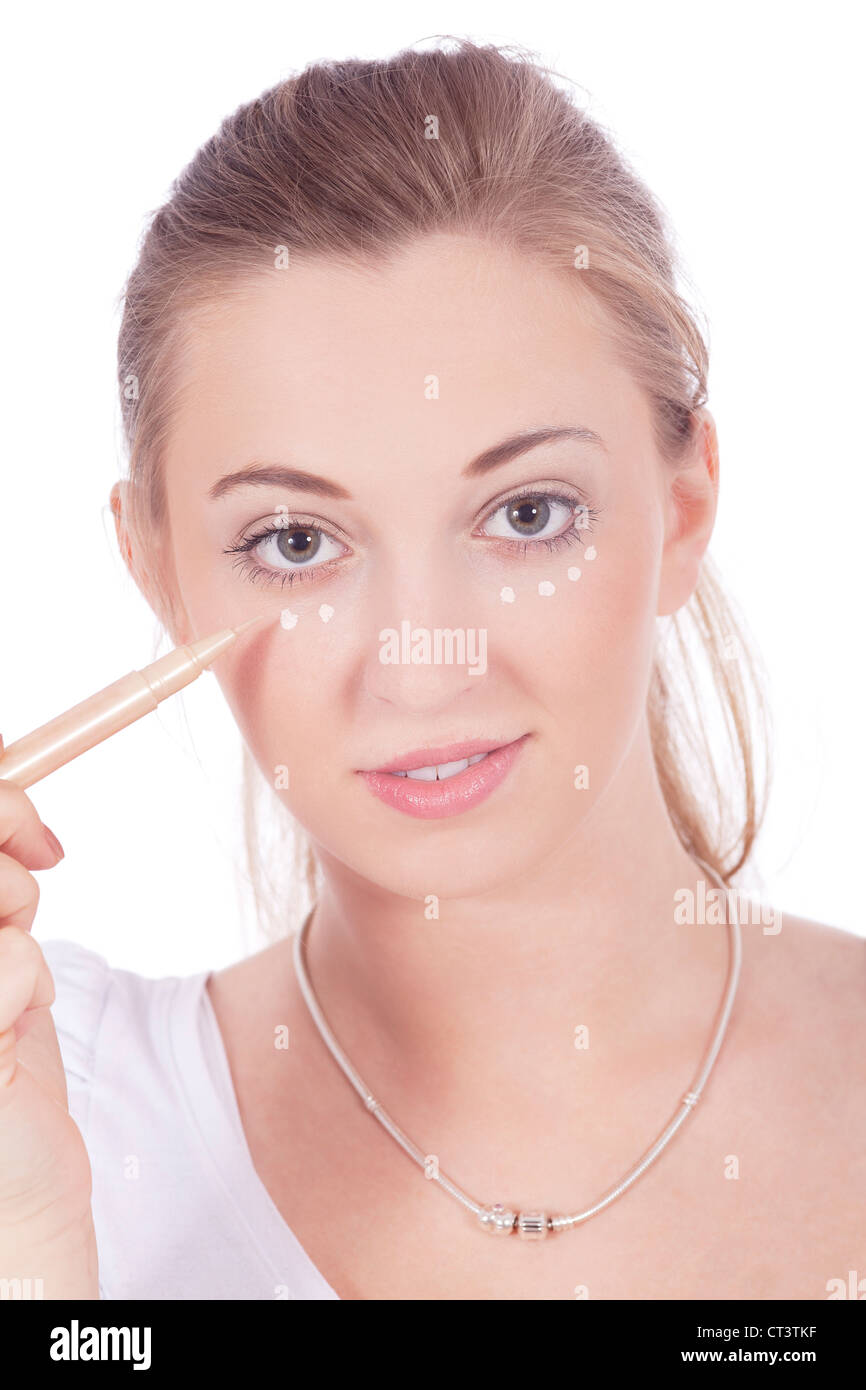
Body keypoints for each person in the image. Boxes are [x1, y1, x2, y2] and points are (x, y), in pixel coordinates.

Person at [2, 37, 863, 1302]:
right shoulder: (58, 1105)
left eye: (525, 515)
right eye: (294, 542)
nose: (419, 667)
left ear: (682, 506)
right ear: (157, 567)